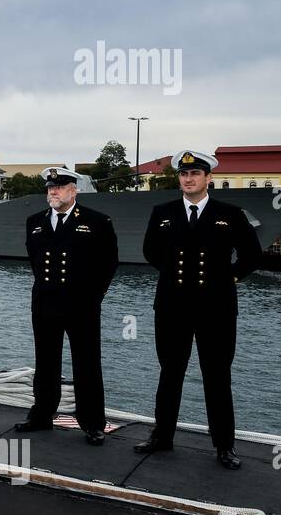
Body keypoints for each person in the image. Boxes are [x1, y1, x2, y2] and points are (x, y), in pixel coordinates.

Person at [135, 150, 262, 469]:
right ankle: (162, 437)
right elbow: (151, 251)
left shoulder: (230, 214)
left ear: (208, 178)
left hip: (215, 308)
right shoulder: (162, 212)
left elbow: (251, 255)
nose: (188, 179)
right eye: (183, 174)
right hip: (172, 306)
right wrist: (175, 276)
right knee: (170, 373)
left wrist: (229, 277)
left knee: (217, 377)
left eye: (195, 174)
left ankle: (224, 446)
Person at [13, 167, 119, 445]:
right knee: (46, 362)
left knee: (87, 364)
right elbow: (34, 259)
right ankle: (41, 416)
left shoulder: (96, 221)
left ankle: (93, 422)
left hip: (81, 305)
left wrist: (94, 296)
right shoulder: (35, 221)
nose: (53, 192)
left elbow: (108, 263)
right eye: (50, 188)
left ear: (74, 190)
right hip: (45, 303)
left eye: (59, 187)